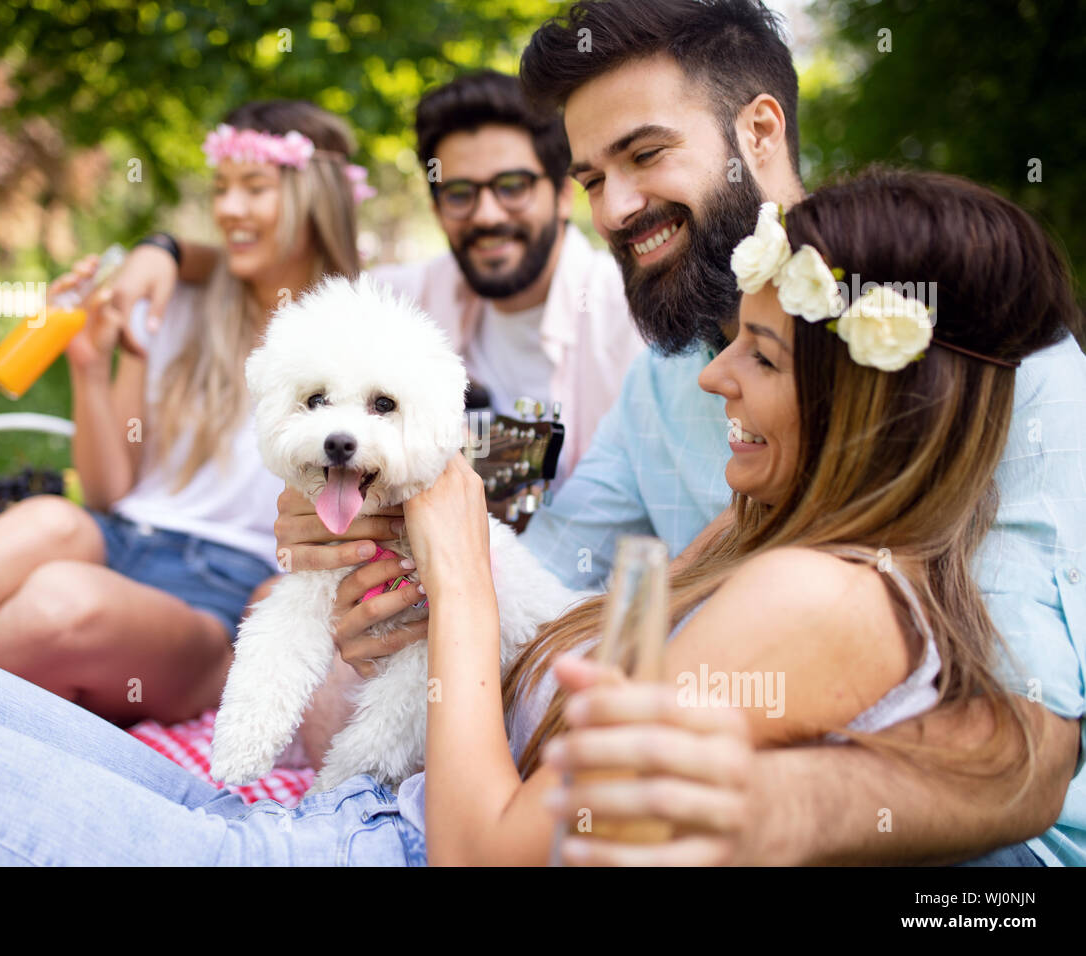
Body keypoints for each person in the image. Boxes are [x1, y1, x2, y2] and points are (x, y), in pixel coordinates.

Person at [0, 168, 1071, 866]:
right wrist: (373, 626)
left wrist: (460, 574)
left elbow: (486, 858)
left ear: (866, 400)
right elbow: (484, 740)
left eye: (761, 356)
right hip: (310, 818)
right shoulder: (751, 551)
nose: (717, 379)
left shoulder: (824, 596)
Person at [278, 0, 1086, 866]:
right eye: (590, 178)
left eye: (647, 153)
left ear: (762, 132)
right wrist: (385, 545)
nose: (616, 209)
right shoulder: (665, 378)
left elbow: (1025, 753)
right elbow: (538, 599)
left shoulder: (980, 358)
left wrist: (744, 804)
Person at [0, 100, 366, 726]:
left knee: (52, 606)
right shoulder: (176, 302)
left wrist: (165, 249)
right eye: (222, 188)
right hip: (118, 537)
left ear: (319, 198)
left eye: (255, 188)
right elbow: (107, 489)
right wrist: (89, 367)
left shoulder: (361, 336)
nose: (229, 209)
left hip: (221, 593)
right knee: (46, 519)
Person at [112, 72, 643, 483]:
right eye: (458, 192)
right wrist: (167, 251)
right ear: (436, 209)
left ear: (560, 193)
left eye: (511, 186)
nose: (486, 215)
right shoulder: (402, 300)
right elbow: (299, 271)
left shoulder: (626, 316)